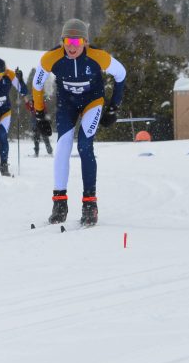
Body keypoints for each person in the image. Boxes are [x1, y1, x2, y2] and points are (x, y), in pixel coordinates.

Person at [32, 19, 127, 226]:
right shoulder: (51, 58)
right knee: (63, 148)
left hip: (92, 101)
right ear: (62, 40)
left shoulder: (98, 57)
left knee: (85, 146)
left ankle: (89, 204)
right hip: (67, 105)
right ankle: (59, 203)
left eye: (77, 41)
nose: (72, 46)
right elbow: (36, 84)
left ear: (85, 41)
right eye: (68, 40)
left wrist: (114, 106)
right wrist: (40, 114)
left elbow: (121, 74)